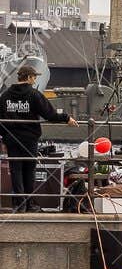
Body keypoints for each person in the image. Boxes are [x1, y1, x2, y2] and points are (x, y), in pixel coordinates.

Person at [0, 65, 77, 211]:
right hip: (29, 139)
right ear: (28, 77)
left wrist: (5, 136)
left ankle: (19, 204)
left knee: (16, 170)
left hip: (12, 140)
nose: (35, 80)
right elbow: (50, 114)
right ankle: (30, 204)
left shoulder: (5, 96)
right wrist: (66, 118)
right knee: (29, 170)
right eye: (34, 77)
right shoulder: (34, 94)